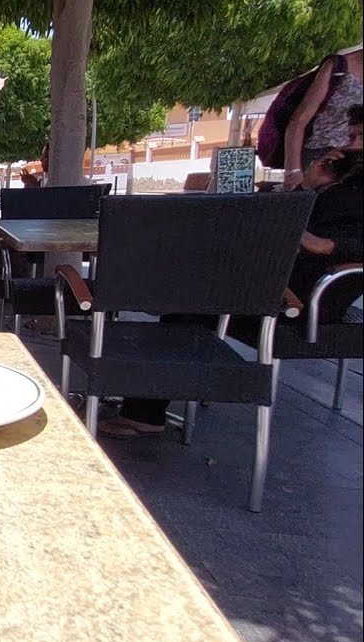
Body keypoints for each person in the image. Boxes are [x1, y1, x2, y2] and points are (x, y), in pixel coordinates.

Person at [100, 145, 363, 439]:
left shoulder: (353, 193)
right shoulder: (343, 186)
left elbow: (319, 241)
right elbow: (288, 216)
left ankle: (144, 411)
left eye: (358, 136)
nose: (348, 144)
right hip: (279, 283)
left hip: (307, 301)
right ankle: (143, 400)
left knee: (193, 304)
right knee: (188, 296)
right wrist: (309, 185)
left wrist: (297, 233)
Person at [282, 48, 363, 191]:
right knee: (318, 206)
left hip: (356, 157)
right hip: (322, 157)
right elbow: (299, 120)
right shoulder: (340, 66)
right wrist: (292, 171)